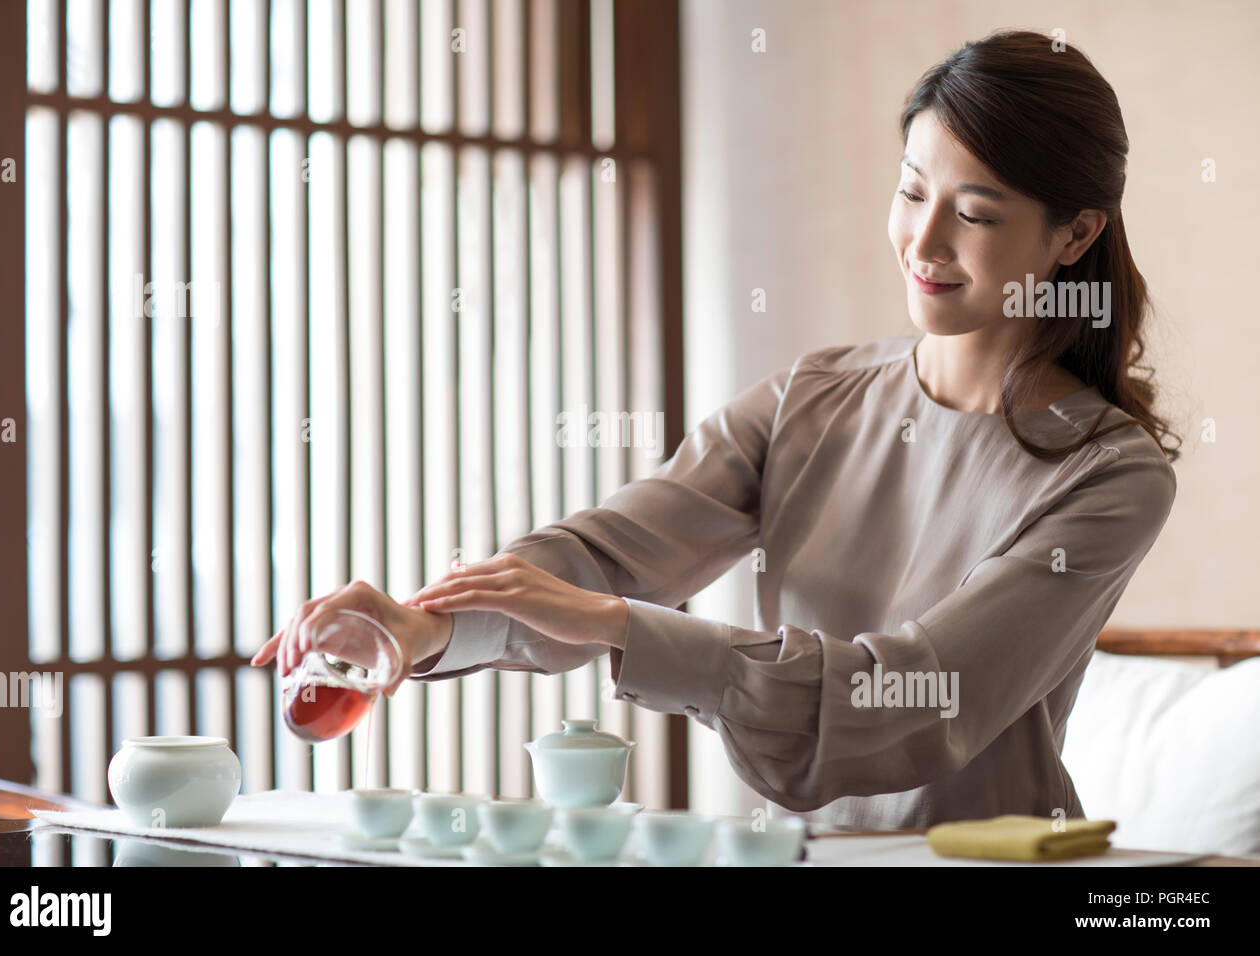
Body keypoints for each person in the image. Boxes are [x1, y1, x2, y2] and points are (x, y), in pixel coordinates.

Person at [252, 29, 1181, 830]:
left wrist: (621, 629)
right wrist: (426, 629)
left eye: (975, 213)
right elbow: (610, 554)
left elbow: (915, 696)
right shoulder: (812, 397)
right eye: (910, 192)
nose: (924, 242)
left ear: (1073, 235)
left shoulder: (1109, 474)